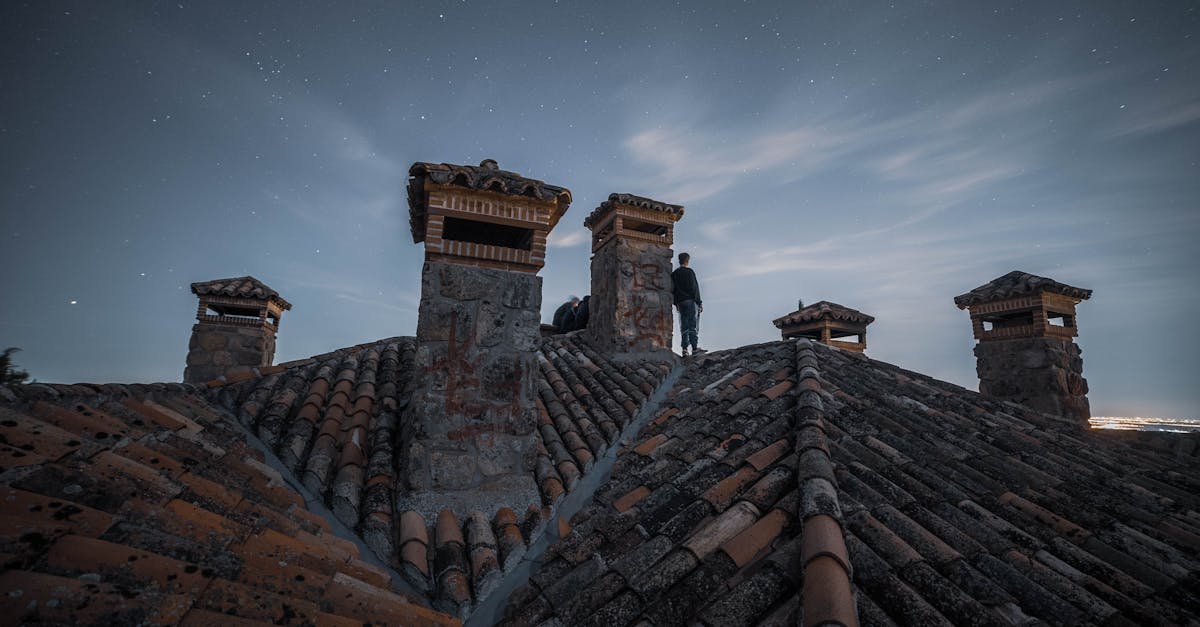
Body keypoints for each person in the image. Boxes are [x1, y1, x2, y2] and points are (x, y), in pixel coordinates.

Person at [671, 252, 704, 356]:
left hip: (680, 303)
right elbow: (694, 287)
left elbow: (672, 289)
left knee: (684, 325)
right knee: (692, 325)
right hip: (690, 301)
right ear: (687, 261)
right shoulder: (689, 272)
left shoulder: (674, 274)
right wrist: (699, 302)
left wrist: (675, 303)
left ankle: (684, 349)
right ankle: (694, 348)